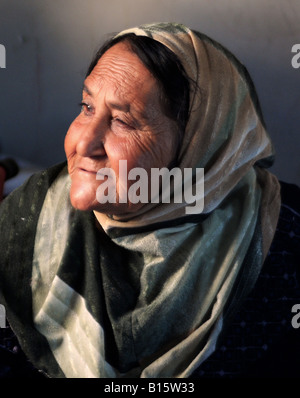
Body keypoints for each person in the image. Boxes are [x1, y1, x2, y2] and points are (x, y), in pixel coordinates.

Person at [0, 22, 299, 379]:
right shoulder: (24, 224)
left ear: (198, 149)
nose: (84, 144)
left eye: (123, 122)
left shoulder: (281, 248)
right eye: (87, 107)